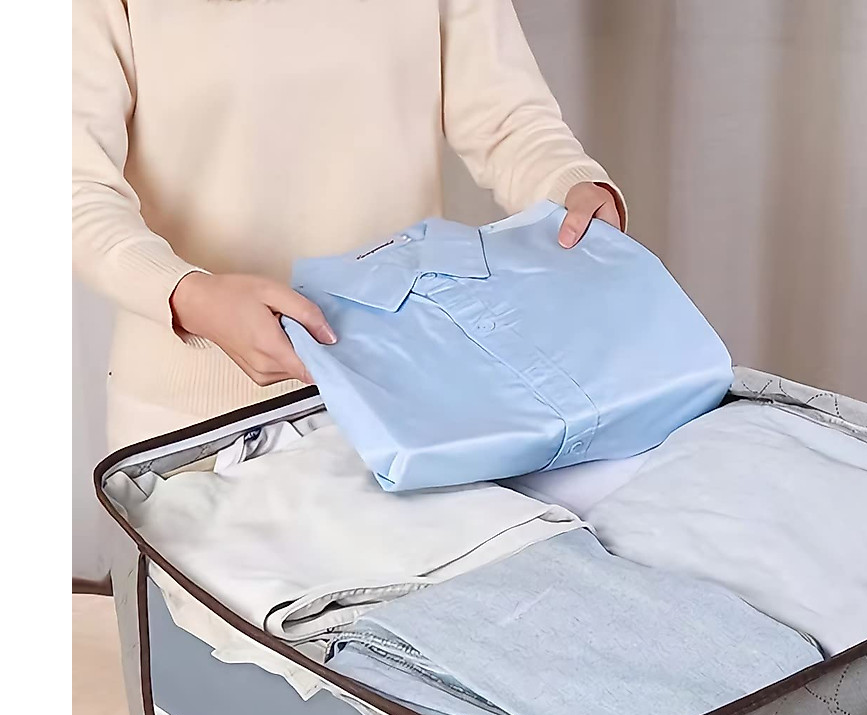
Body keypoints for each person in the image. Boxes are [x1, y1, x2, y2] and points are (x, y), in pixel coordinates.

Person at [73, 0, 625, 449]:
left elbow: (507, 120)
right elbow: (72, 187)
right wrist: (190, 296)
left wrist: (571, 187)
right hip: (195, 429)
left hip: (402, 393)